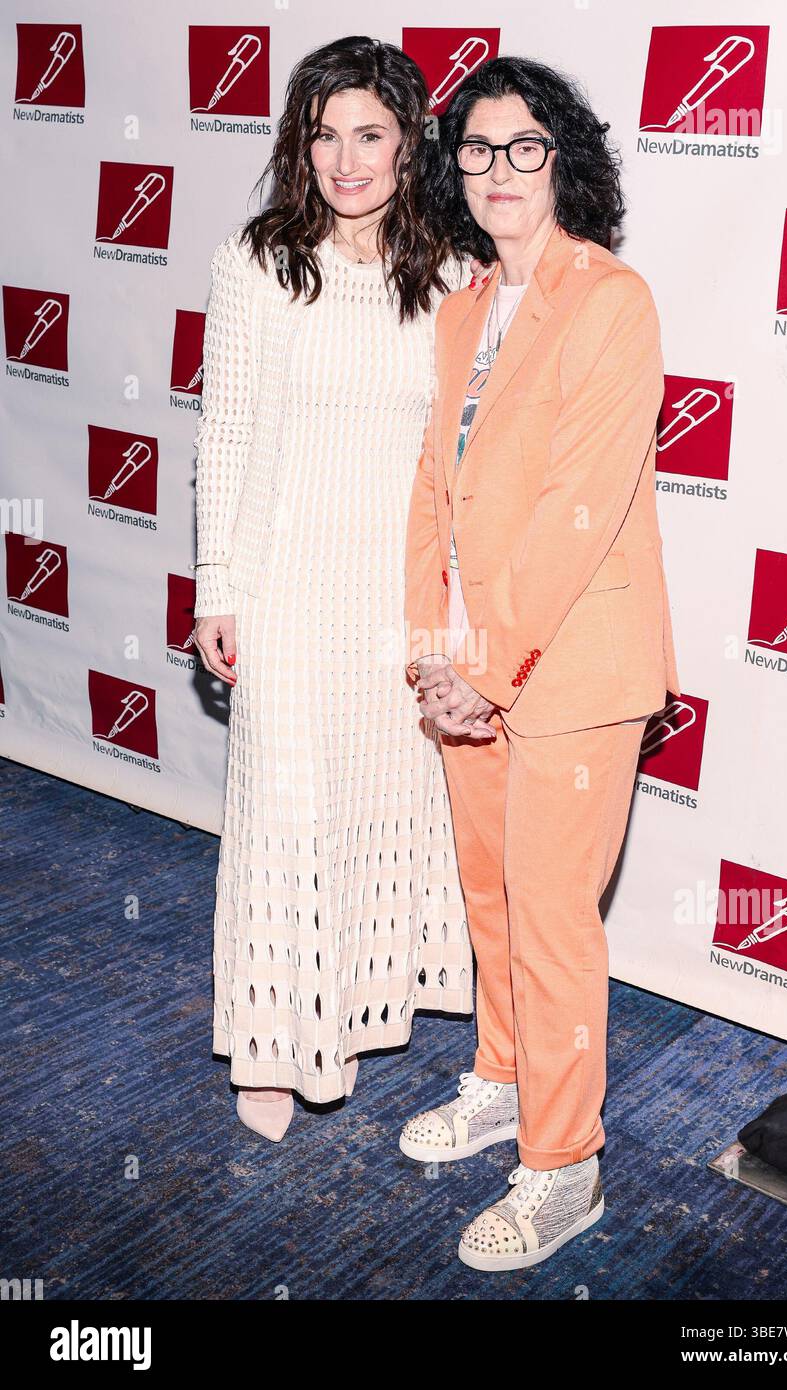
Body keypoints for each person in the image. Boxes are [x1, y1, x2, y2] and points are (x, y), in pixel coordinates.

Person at [401, 56, 682, 1269]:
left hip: (570, 667)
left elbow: (579, 505)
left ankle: (564, 1167)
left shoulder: (610, 300)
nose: (497, 170)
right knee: (491, 901)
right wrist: (427, 646)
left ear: (562, 160)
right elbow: (432, 488)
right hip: (466, 662)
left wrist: (489, 663)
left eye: (523, 147)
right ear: (450, 168)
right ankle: (504, 1078)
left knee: (555, 919)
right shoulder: (462, 306)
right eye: (474, 148)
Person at [192, 36, 474, 1142]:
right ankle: (269, 1042)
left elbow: (462, 451)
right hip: (283, 583)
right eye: (324, 135)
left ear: (409, 143)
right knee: (280, 812)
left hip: (393, 591)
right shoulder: (252, 262)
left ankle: (352, 1012)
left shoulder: (451, 272)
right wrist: (220, 585)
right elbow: (222, 430)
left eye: (370, 134)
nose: (346, 159)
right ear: (297, 144)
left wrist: (453, 608)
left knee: (373, 811)